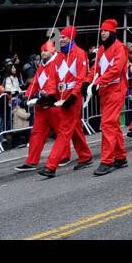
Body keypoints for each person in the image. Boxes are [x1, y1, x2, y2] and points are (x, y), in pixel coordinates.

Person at [41, 27, 93, 177]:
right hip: (62, 97)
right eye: (60, 37)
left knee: (64, 131)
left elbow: (81, 78)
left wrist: (73, 97)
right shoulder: (58, 56)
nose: (61, 39)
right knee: (74, 128)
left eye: (64, 37)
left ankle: (51, 166)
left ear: (71, 38)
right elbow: (52, 78)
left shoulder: (80, 54)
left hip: (73, 98)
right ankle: (85, 156)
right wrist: (51, 95)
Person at [88, 19, 130, 175]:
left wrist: (98, 81)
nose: (103, 33)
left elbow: (116, 70)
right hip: (105, 91)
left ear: (112, 32)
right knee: (113, 124)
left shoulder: (120, 48)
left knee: (107, 124)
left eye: (106, 31)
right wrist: (88, 82)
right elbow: (96, 69)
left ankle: (107, 161)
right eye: (102, 31)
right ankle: (120, 157)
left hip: (116, 90)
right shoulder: (101, 50)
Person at [15, 41, 59, 172]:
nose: (43, 53)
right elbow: (34, 83)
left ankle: (68, 156)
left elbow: (53, 82)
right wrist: (26, 96)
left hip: (52, 105)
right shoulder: (41, 67)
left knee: (63, 133)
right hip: (41, 106)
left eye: (45, 50)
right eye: (42, 51)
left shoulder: (54, 65)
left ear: (52, 52)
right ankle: (31, 161)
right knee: (36, 134)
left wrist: (47, 94)